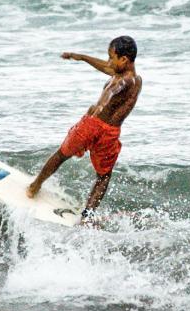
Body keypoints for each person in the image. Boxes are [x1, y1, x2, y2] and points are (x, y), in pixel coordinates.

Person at [26, 35, 142, 225]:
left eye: (111, 57)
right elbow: (106, 69)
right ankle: (87, 217)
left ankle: (34, 186)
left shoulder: (123, 81)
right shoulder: (133, 79)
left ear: (124, 59)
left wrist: (100, 104)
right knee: (104, 177)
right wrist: (80, 57)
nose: (108, 62)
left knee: (61, 154)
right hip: (111, 132)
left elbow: (114, 88)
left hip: (93, 126)